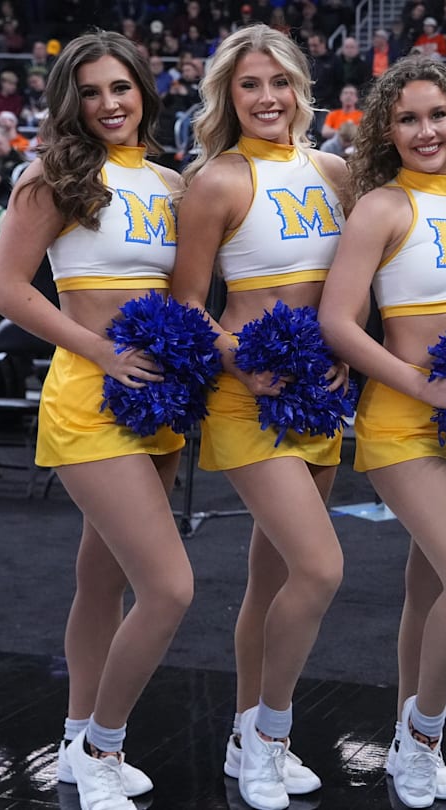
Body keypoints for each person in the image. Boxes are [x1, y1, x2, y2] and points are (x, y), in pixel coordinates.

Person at [0, 32, 189, 810]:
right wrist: (101, 352)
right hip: (89, 398)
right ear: (73, 99)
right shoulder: (51, 177)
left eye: (121, 88)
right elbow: (6, 290)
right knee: (169, 587)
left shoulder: (172, 182)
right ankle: (104, 747)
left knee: (100, 580)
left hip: (160, 400)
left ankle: (77, 741)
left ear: (145, 91)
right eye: (93, 91)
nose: (109, 104)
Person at [168, 24, 350, 810]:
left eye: (279, 82)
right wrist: (244, 360)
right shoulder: (216, 181)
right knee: (321, 567)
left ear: (300, 87)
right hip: (248, 396)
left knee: (272, 574)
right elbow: (185, 305)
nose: (268, 98)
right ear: (227, 95)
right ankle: (272, 736)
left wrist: (351, 345)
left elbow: (352, 282)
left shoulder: (335, 170)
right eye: (250, 84)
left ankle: (248, 731)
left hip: (319, 396)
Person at [319, 56, 446, 810]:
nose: (426, 130)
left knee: (430, 589)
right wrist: (419, 382)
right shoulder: (382, 208)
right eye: (408, 118)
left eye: (437, 115)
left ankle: (405, 733)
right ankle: (422, 738)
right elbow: (337, 321)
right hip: (402, 422)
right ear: (386, 130)